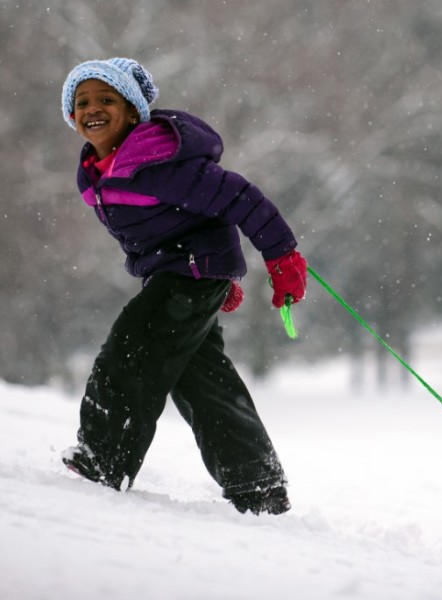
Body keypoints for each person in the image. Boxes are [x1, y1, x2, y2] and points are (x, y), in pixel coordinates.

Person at [59, 57, 308, 515]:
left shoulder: (158, 161)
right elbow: (156, 230)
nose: (92, 109)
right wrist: (217, 276)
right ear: (72, 116)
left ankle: (103, 459)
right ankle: (258, 487)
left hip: (188, 271)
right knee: (202, 380)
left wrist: (281, 257)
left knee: (131, 349)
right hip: (180, 273)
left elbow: (240, 198)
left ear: (132, 111)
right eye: (82, 102)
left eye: (106, 99)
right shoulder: (94, 172)